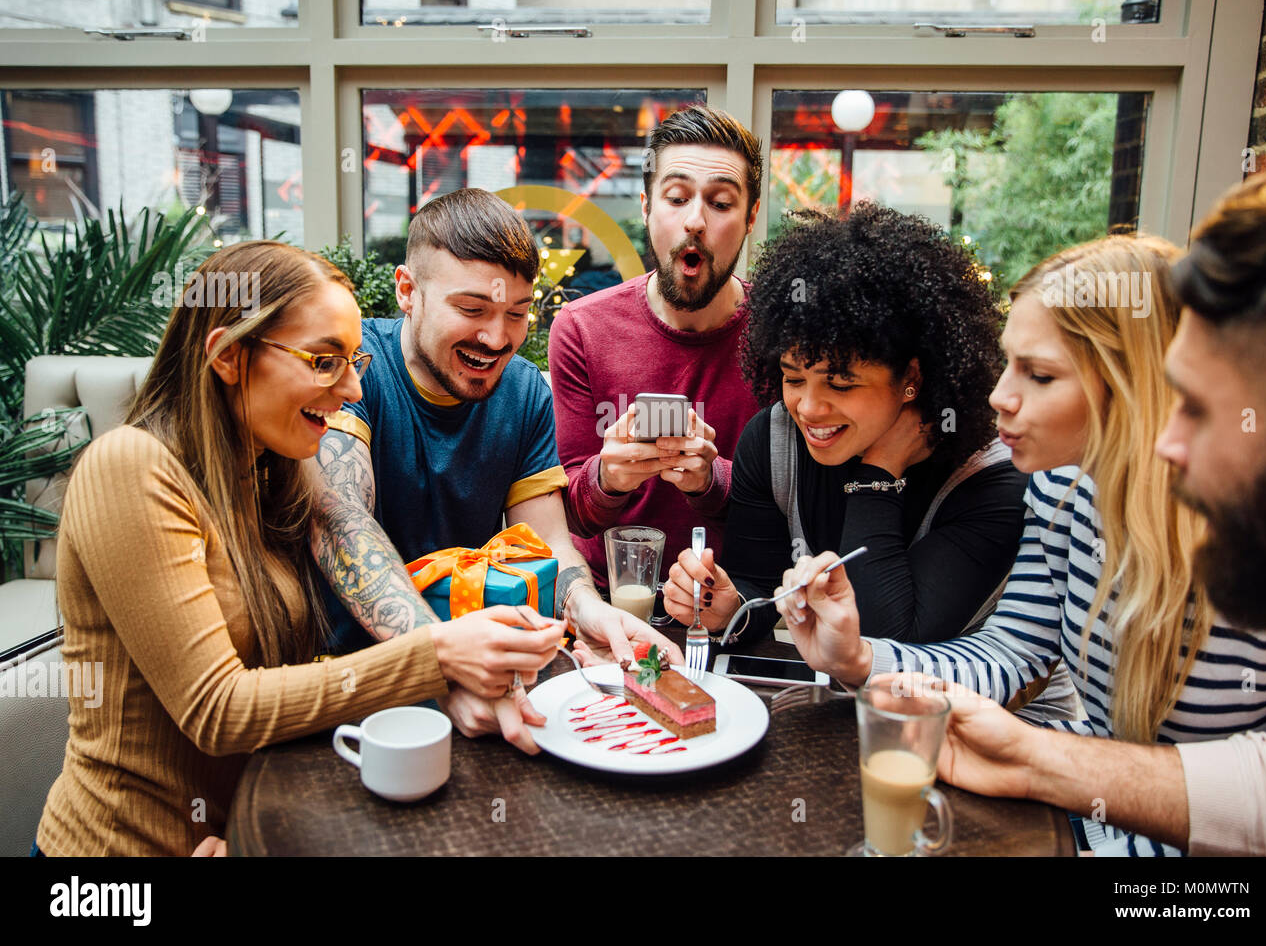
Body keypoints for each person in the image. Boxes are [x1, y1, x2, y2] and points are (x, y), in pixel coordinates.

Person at [778, 221, 1266, 855]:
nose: (1000, 397)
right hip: (1086, 822)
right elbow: (1011, 653)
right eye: (1007, 365)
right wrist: (859, 659)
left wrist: (1045, 760)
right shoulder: (1061, 491)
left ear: (1136, 385)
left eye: (1040, 376)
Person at [35, 241, 562, 856]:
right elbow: (218, 708)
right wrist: (438, 653)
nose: (353, 390)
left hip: (238, 832)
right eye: (323, 361)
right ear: (230, 357)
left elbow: (338, 541)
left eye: (355, 361)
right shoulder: (131, 467)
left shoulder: (267, 469)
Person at [309, 188, 679, 755]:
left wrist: (590, 612)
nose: (497, 339)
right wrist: (437, 663)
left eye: (517, 313)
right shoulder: (354, 364)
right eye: (472, 309)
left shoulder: (524, 391)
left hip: (485, 685)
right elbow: (341, 523)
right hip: (353, 694)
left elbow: (548, 540)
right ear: (408, 291)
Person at [666, 203, 1039, 661]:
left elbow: (892, 641)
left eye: (841, 383)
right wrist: (730, 607)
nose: (809, 408)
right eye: (793, 377)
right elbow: (759, 586)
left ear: (912, 379)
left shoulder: (990, 477)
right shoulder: (773, 440)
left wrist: (878, 473)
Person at [548, 105, 764, 593]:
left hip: (730, 603)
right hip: (607, 604)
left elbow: (790, 504)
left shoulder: (777, 333)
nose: (695, 221)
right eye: (676, 197)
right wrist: (607, 477)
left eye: (721, 203)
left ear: (751, 217)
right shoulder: (581, 328)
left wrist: (712, 480)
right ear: (646, 207)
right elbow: (566, 512)